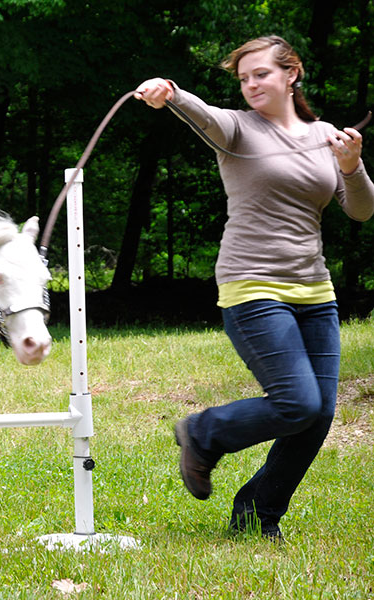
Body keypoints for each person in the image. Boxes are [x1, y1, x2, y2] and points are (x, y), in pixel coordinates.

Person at [134, 35, 374, 541]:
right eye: (243, 78)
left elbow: (361, 209)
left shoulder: (325, 135)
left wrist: (351, 166)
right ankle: (202, 433)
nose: (249, 85)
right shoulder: (238, 129)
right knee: (297, 402)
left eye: (260, 73)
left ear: (291, 75)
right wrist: (171, 94)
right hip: (251, 284)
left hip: (314, 291)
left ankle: (256, 513)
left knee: (319, 414)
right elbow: (204, 115)